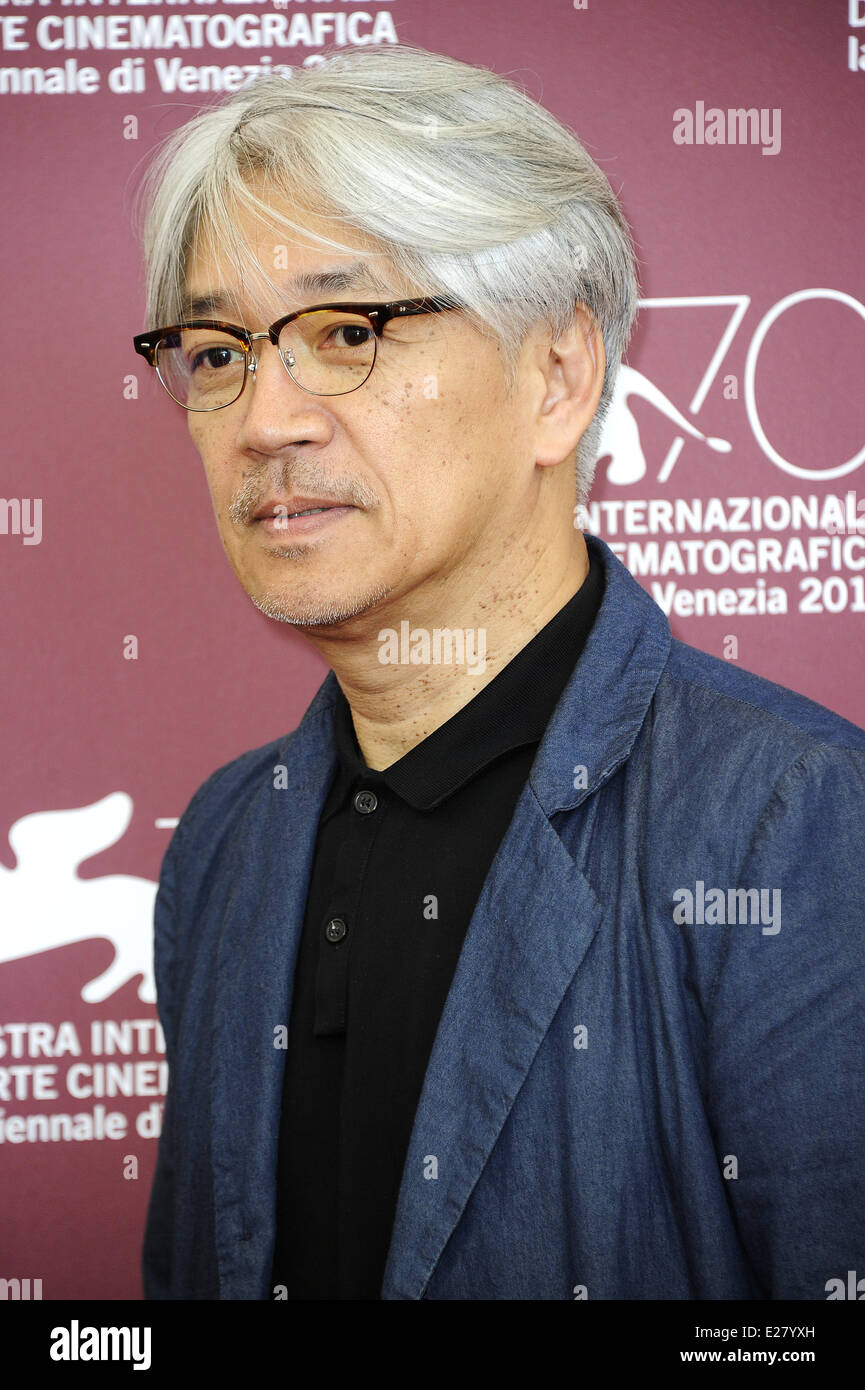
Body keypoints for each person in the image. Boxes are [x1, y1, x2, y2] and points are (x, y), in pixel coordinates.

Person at [133, 42, 865, 1301]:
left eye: (346, 328)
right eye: (216, 351)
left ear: (560, 378)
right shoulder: (220, 845)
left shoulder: (792, 821)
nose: (264, 418)